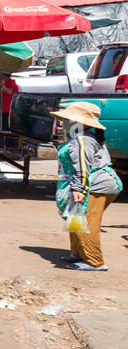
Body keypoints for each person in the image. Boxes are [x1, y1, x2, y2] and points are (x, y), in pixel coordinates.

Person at [52, 102, 121, 271]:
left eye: (68, 119)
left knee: (86, 222)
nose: (65, 122)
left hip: (96, 185)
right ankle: (78, 254)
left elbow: (83, 166)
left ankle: (93, 261)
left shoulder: (82, 139)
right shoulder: (84, 137)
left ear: (79, 122)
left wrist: (78, 189)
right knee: (75, 220)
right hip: (91, 183)